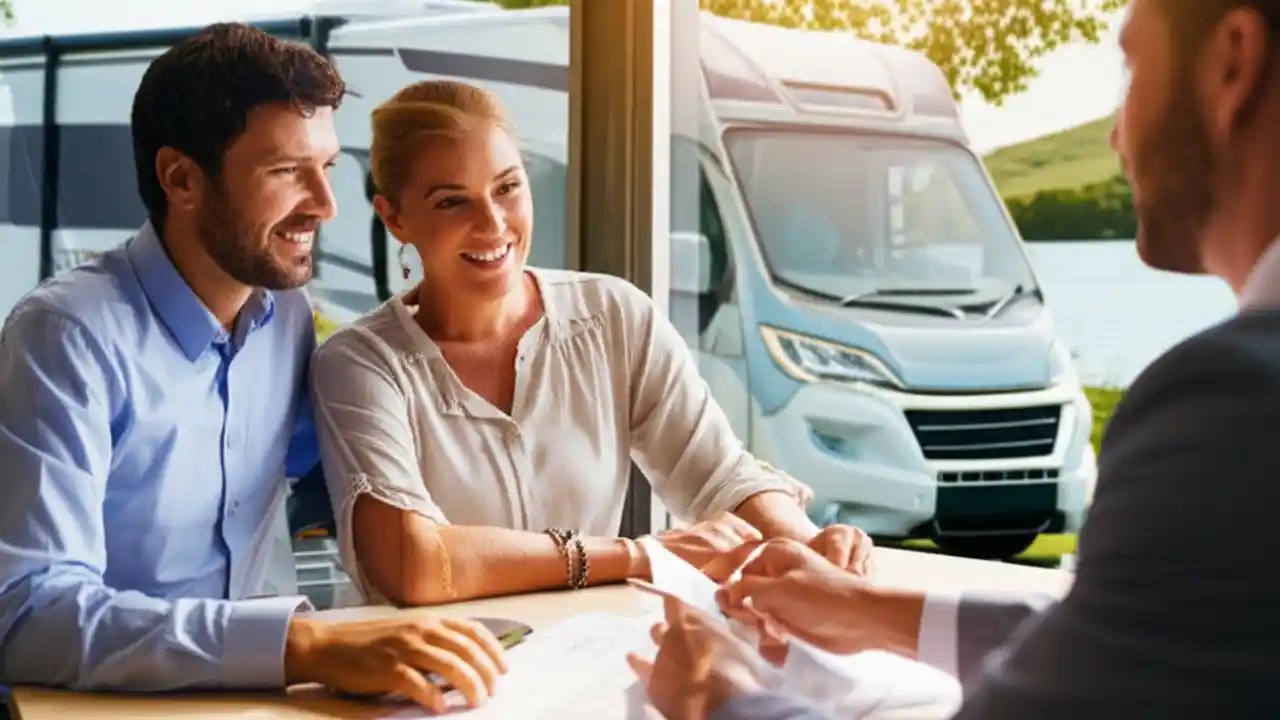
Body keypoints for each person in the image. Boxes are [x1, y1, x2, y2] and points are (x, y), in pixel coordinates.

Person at [634, 0, 1280, 717]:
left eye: (1129, 65)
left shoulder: (1233, 403)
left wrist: (721, 695)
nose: (1116, 135)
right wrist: (868, 609)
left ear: (1233, 60)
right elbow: (1143, 635)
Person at [0, 24, 505, 713]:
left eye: (326, 167)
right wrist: (300, 645)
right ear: (181, 179)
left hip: (256, 702)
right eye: (284, 171)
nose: (325, 206)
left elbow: (342, 473)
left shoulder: (285, 318)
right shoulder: (65, 337)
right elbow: (29, 615)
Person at [308, 79, 875, 609]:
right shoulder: (360, 364)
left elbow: (717, 475)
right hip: (439, 690)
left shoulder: (611, 315)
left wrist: (807, 543)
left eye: (508, 187)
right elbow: (411, 563)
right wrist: (638, 556)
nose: (493, 223)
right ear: (395, 218)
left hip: (592, 664)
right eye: (452, 201)